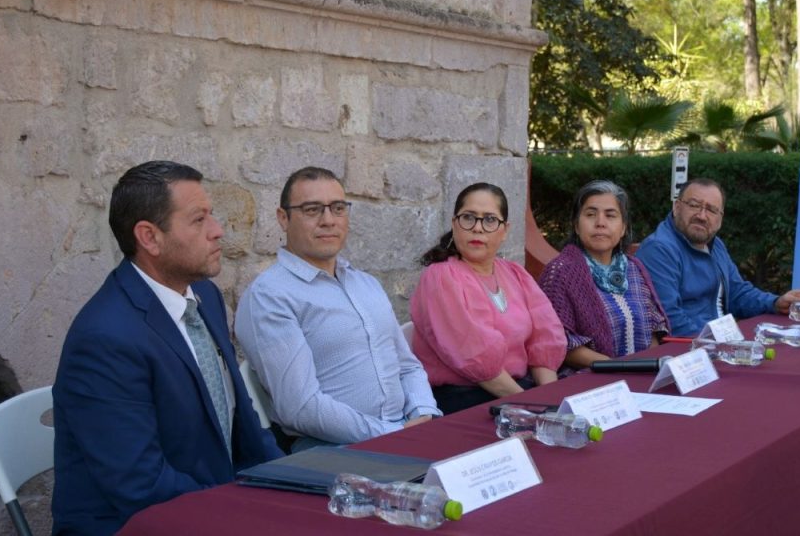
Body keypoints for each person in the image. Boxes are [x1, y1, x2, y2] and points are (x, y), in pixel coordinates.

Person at [52, 161, 282, 535]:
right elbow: (140, 485)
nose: (218, 231)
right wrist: (239, 513)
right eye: (198, 219)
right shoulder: (104, 338)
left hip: (210, 505)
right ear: (149, 237)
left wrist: (291, 484)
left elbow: (245, 428)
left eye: (212, 216)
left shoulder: (204, 295)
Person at [235, 167, 440, 450]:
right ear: (283, 218)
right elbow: (302, 408)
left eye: (338, 208)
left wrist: (423, 412)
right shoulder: (270, 296)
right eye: (311, 210)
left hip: (403, 432)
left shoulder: (366, 284)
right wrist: (391, 434)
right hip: (333, 450)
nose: (328, 220)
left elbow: (406, 366)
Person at [410, 183, 566, 414]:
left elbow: (544, 337)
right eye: (468, 218)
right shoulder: (441, 277)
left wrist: (549, 399)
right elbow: (475, 357)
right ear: (455, 225)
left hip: (520, 390)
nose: (478, 228)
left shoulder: (515, 273)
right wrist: (532, 407)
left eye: (490, 220)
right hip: (467, 398)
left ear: (504, 230)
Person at [635, 178, 800, 337]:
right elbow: (669, 317)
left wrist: (775, 303)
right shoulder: (659, 249)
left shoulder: (715, 245)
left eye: (711, 210)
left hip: (722, 343)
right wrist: (717, 344)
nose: (702, 216)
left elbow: (737, 293)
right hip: (691, 353)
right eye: (694, 205)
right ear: (677, 207)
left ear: (720, 218)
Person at [538, 180, 668, 370]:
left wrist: (645, 365)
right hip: (589, 381)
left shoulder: (634, 268)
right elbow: (561, 341)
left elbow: (655, 327)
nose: (600, 223)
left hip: (643, 373)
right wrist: (618, 368)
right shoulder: (560, 272)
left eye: (610, 215)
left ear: (623, 228)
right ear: (576, 225)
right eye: (590, 214)